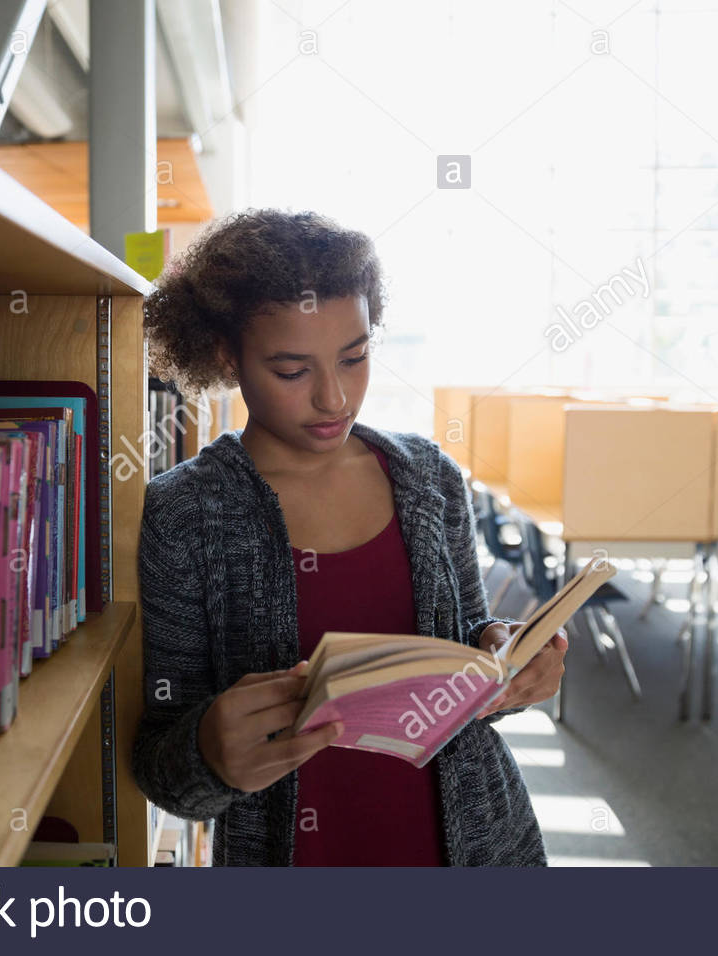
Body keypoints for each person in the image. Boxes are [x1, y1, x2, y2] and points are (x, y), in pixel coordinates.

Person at [131, 209, 567, 866]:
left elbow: (468, 651)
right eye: (291, 370)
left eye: (355, 357)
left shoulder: (428, 477)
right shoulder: (184, 512)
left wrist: (510, 666)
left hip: (480, 848)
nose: (334, 398)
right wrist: (207, 754)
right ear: (227, 354)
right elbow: (164, 767)